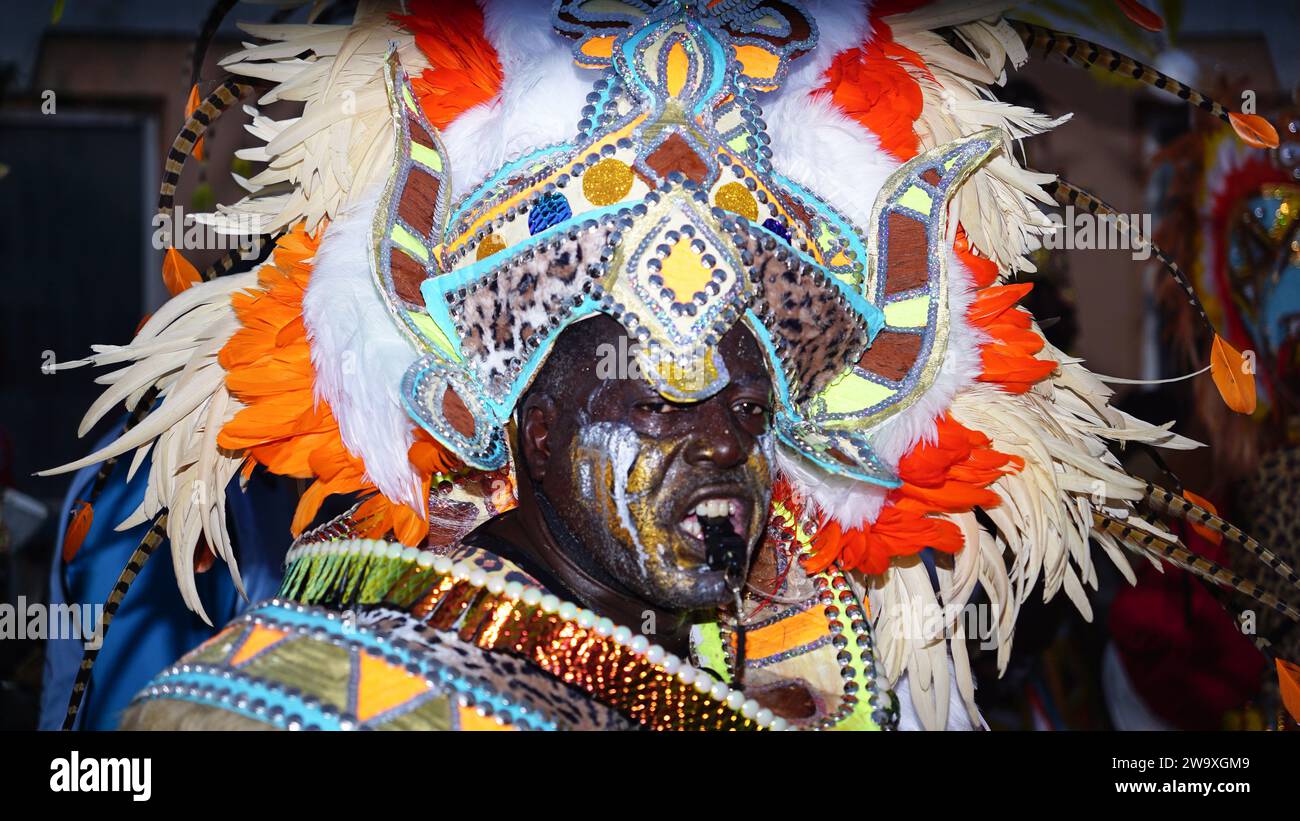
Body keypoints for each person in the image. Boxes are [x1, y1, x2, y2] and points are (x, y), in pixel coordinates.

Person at [47, 0, 1299, 731]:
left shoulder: (796, 661)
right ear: (520, 417)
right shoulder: (291, 704)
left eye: (753, 407)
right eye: (655, 384)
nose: (724, 442)